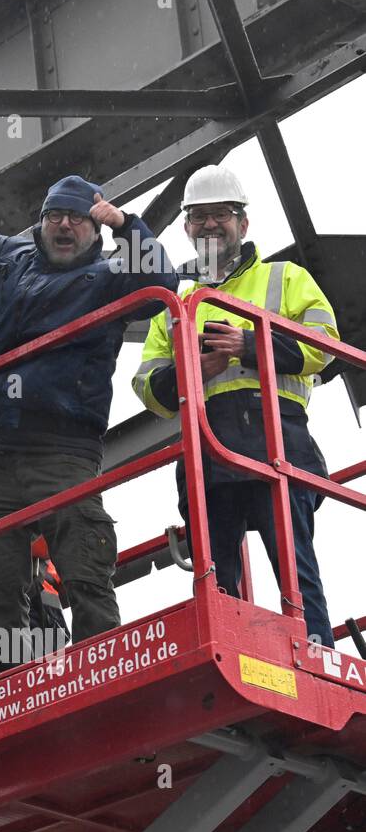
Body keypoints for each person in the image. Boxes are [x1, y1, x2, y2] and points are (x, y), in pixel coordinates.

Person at [0, 104, 178, 677]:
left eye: (78, 218)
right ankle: (2, 689)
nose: (65, 225)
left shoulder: (111, 277)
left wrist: (127, 223)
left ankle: (101, 670)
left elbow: (161, 282)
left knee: (84, 564)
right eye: (56, 215)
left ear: (94, 231)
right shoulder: (3, 258)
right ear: (41, 221)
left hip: (63, 448)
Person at [132, 165, 338, 646]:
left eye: (220, 214)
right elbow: (147, 388)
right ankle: (231, 651)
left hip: (277, 442)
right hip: (210, 453)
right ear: (186, 228)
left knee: (296, 571)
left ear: (242, 223)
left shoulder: (285, 278)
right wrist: (192, 370)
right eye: (198, 217)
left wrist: (249, 344)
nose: (209, 224)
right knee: (217, 581)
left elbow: (324, 345)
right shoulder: (175, 307)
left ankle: (318, 653)